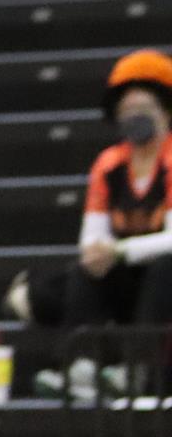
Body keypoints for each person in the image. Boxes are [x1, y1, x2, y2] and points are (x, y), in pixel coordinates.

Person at [64, 50, 172, 332]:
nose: (135, 117)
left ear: (166, 110)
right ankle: (83, 364)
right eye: (127, 110)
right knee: (77, 275)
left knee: (164, 269)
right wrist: (98, 253)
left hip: (163, 274)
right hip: (129, 273)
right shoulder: (109, 164)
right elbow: (92, 239)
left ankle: (142, 367)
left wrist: (120, 250)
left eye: (144, 109)